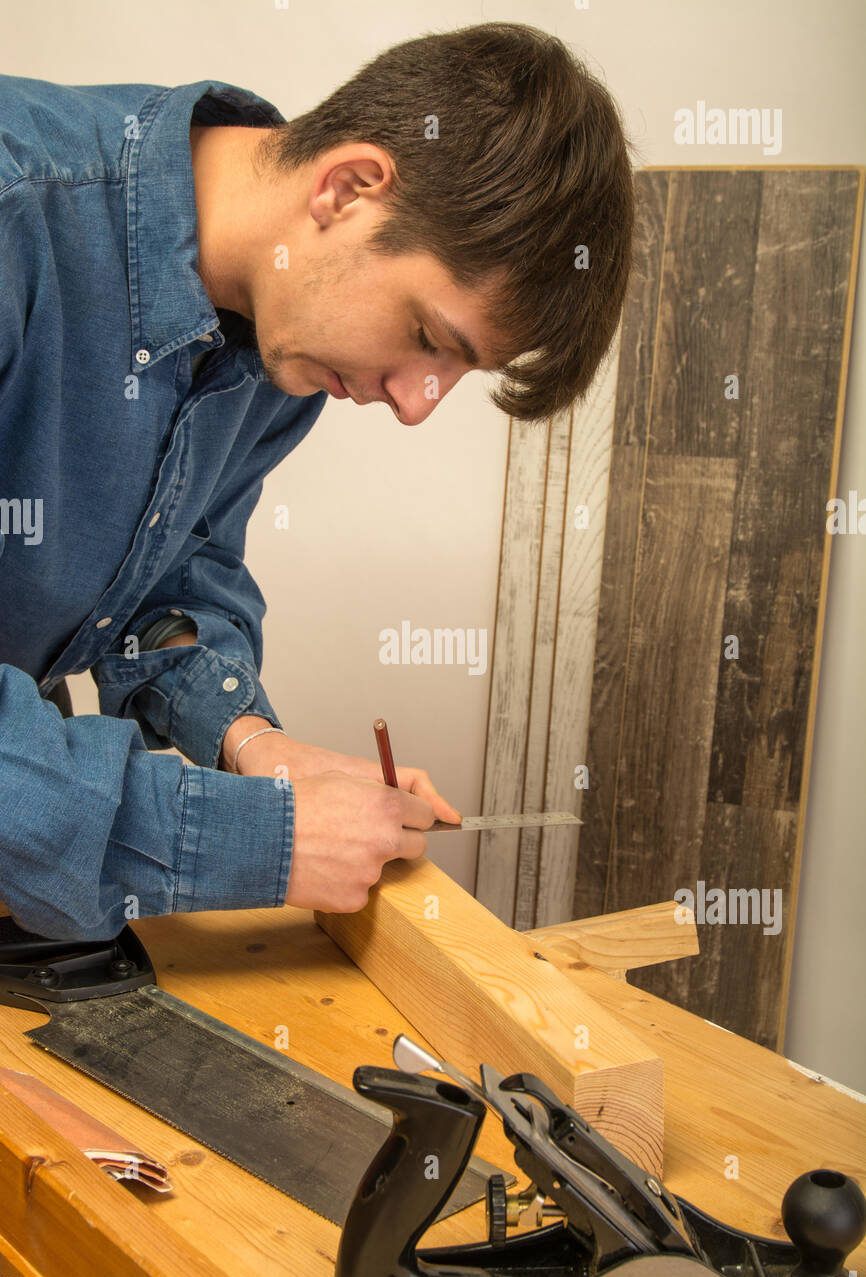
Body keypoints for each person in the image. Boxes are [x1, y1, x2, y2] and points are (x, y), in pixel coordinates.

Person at [0, 23, 634, 940]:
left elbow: (167, 586)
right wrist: (254, 842)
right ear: (347, 188)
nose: (417, 407)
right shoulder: (18, 211)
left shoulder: (281, 349)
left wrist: (258, 747)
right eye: (429, 339)